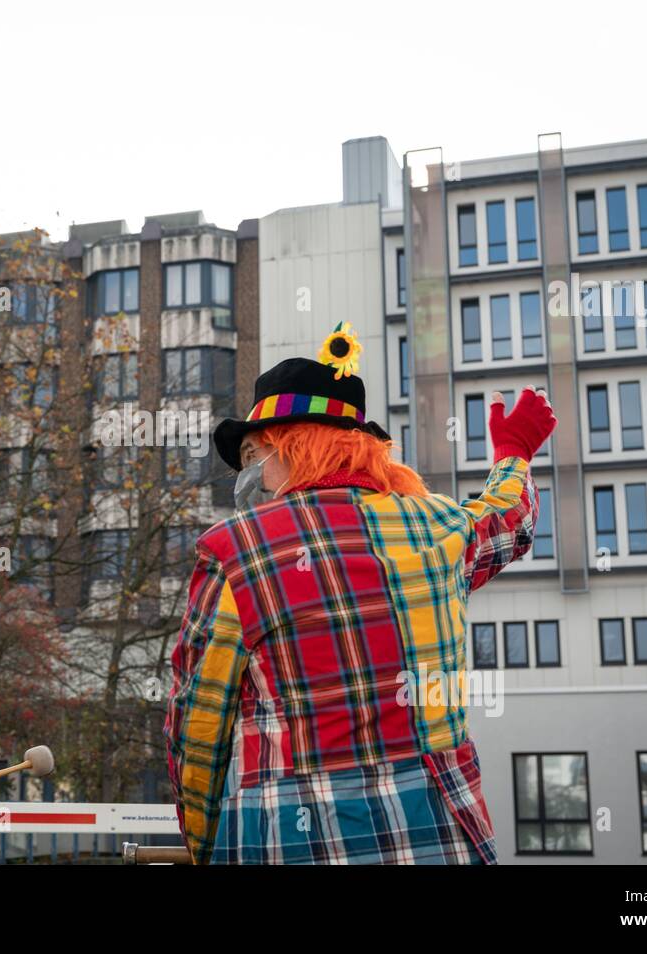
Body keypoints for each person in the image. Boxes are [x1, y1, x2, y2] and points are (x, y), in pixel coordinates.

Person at [164, 323, 557, 864]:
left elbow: (199, 726)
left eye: (254, 454)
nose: (248, 474)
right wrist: (513, 453)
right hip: (439, 838)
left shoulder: (236, 552)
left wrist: (204, 844)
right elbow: (508, 520)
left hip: (285, 840)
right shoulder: (437, 527)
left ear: (294, 445)